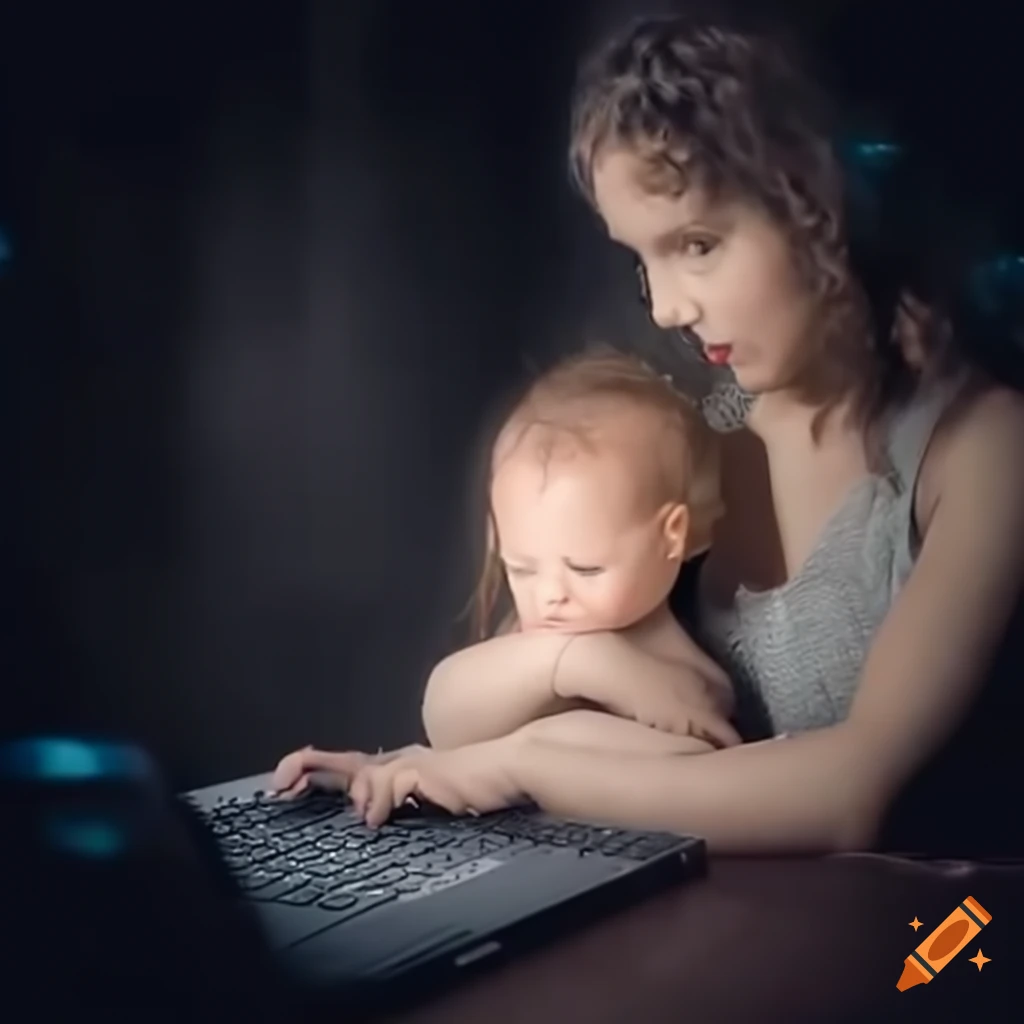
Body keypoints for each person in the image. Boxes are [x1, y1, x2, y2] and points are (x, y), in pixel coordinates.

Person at [279, 13, 1024, 855]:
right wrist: (433, 760)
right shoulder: (695, 432)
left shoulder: (983, 447)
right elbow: (489, 699)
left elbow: (857, 795)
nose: (667, 308)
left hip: (942, 945)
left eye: (697, 244)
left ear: (818, 203)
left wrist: (528, 768)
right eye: (644, 261)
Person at [273, 349, 743, 804]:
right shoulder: (541, 639)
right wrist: (383, 766)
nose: (550, 594)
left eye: (586, 569)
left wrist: (510, 755)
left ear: (672, 536)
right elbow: (445, 716)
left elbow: (696, 765)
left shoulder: (679, 678)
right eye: (521, 568)